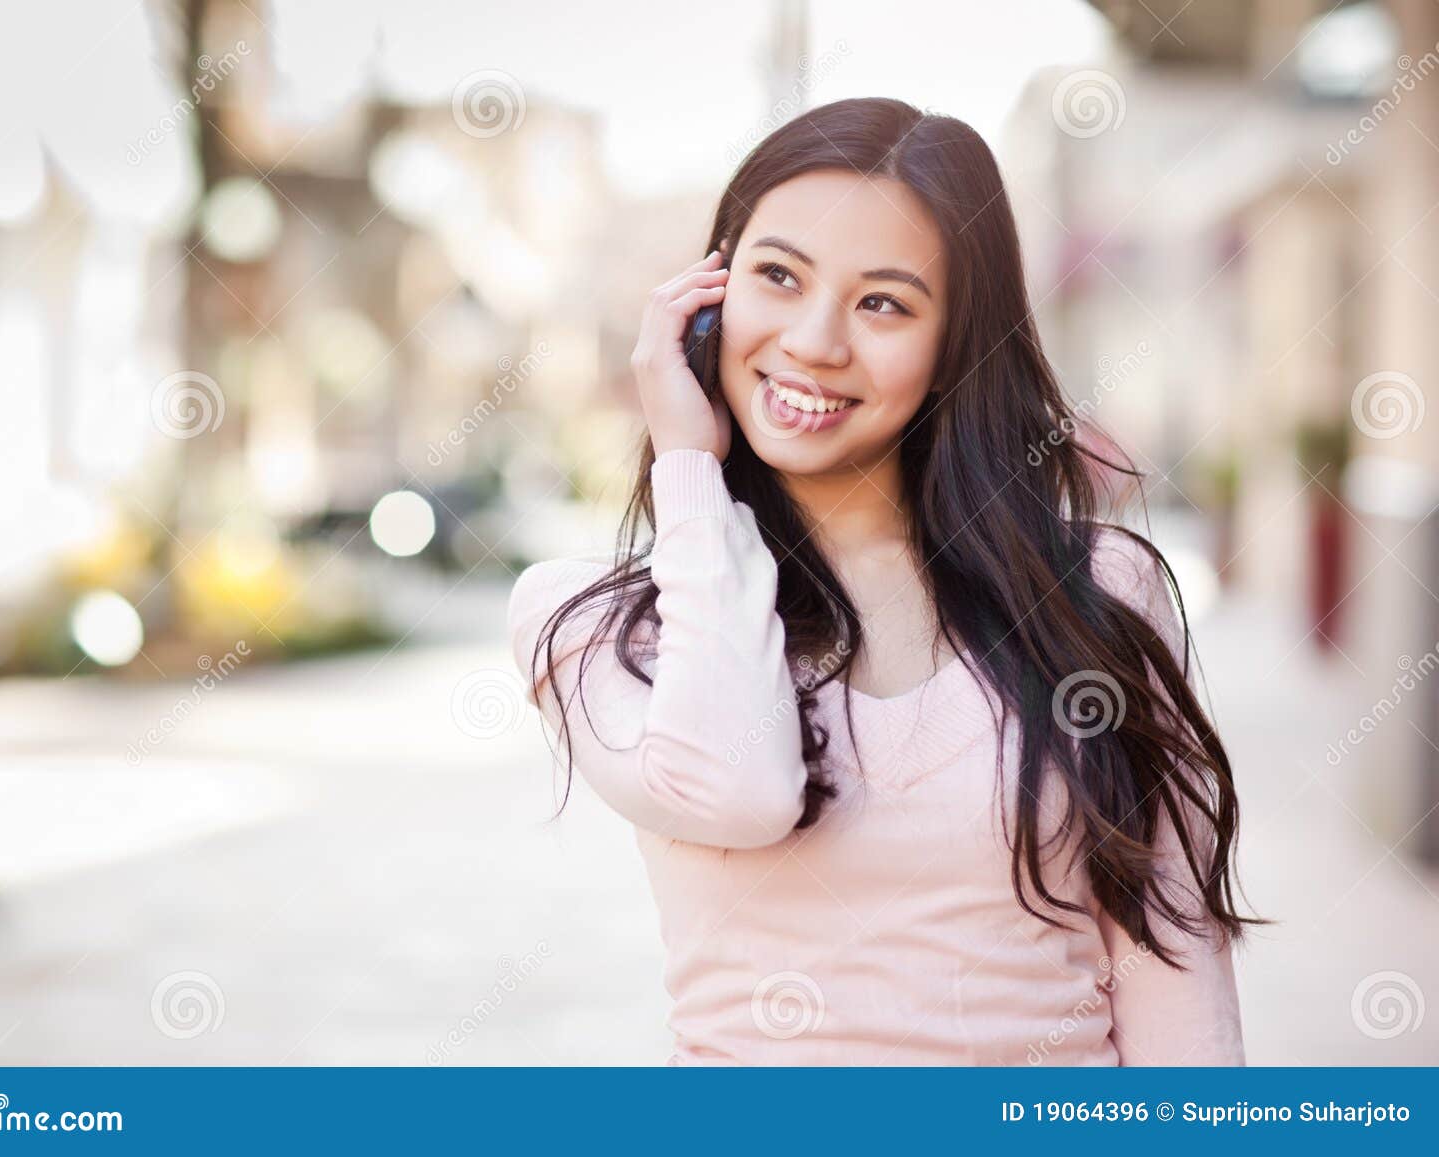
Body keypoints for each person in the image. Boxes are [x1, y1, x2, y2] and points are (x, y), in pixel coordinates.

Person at [506, 97, 1265, 1066]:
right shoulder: (595, 622)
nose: (816, 340)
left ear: (955, 341)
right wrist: (689, 478)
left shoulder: (1096, 592)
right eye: (777, 275)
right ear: (709, 291)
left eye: (883, 302)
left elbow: (1174, 962)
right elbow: (738, 793)